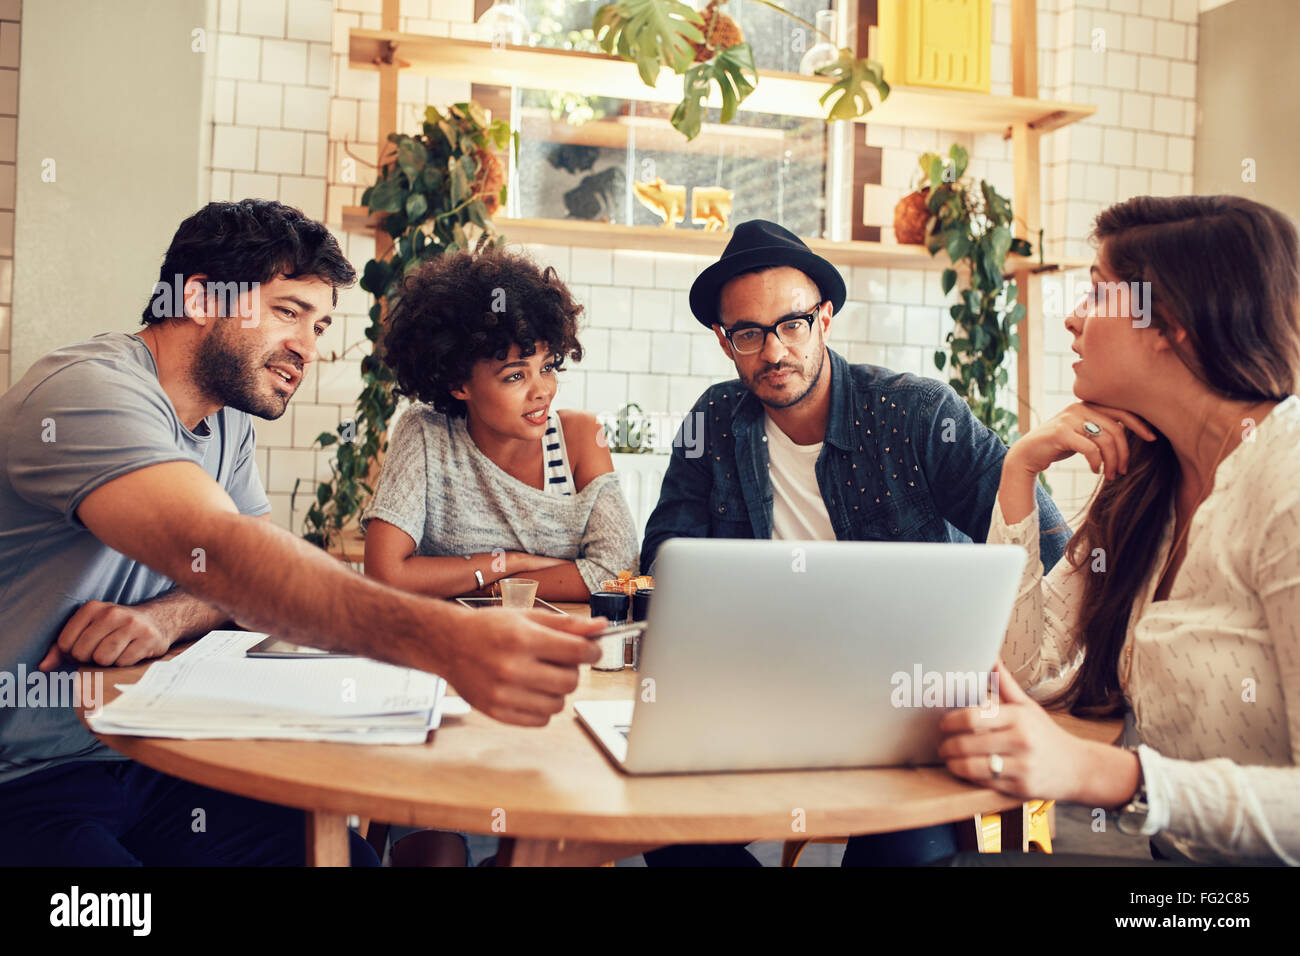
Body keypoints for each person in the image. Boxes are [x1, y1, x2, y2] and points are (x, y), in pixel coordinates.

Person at [0, 200, 606, 867]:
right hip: (25, 778)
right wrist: (449, 640)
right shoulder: (86, 393)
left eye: (319, 326)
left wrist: (167, 615)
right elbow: (230, 555)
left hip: (141, 752)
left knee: (346, 861)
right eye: (288, 312)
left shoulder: (224, 422)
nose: (308, 349)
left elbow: (232, 581)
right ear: (199, 298)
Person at [639, 219, 1071, 866]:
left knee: (908, 852)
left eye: (792, 324)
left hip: (912, 704)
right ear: (725, 341)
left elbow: (1045, 547)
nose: (774, 351)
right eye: (749, 334)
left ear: (826, 320)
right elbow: (665, 564)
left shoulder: (919, 415)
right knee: (664, 832)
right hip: (759, 690)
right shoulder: (714, 421)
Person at [937, 194, 1300, 866]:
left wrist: (1108, 776)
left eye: (1097, 294)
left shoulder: (1288, 482)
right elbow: (1030, 669)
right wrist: (1019, 468)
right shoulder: (1149, 484)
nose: (1073, 318)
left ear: (1171, 323)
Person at [360, 247, 639, 865]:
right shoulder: (427, 435)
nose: (540, 391)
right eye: (514, 375)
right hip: (443, 674)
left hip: (560, 682)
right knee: (434, 856)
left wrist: (473, 582)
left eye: (547, 366)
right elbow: (385, 573)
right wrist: (506, 565)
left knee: (547, 851)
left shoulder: (580, 438)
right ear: (459, 382)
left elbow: (614, 575)